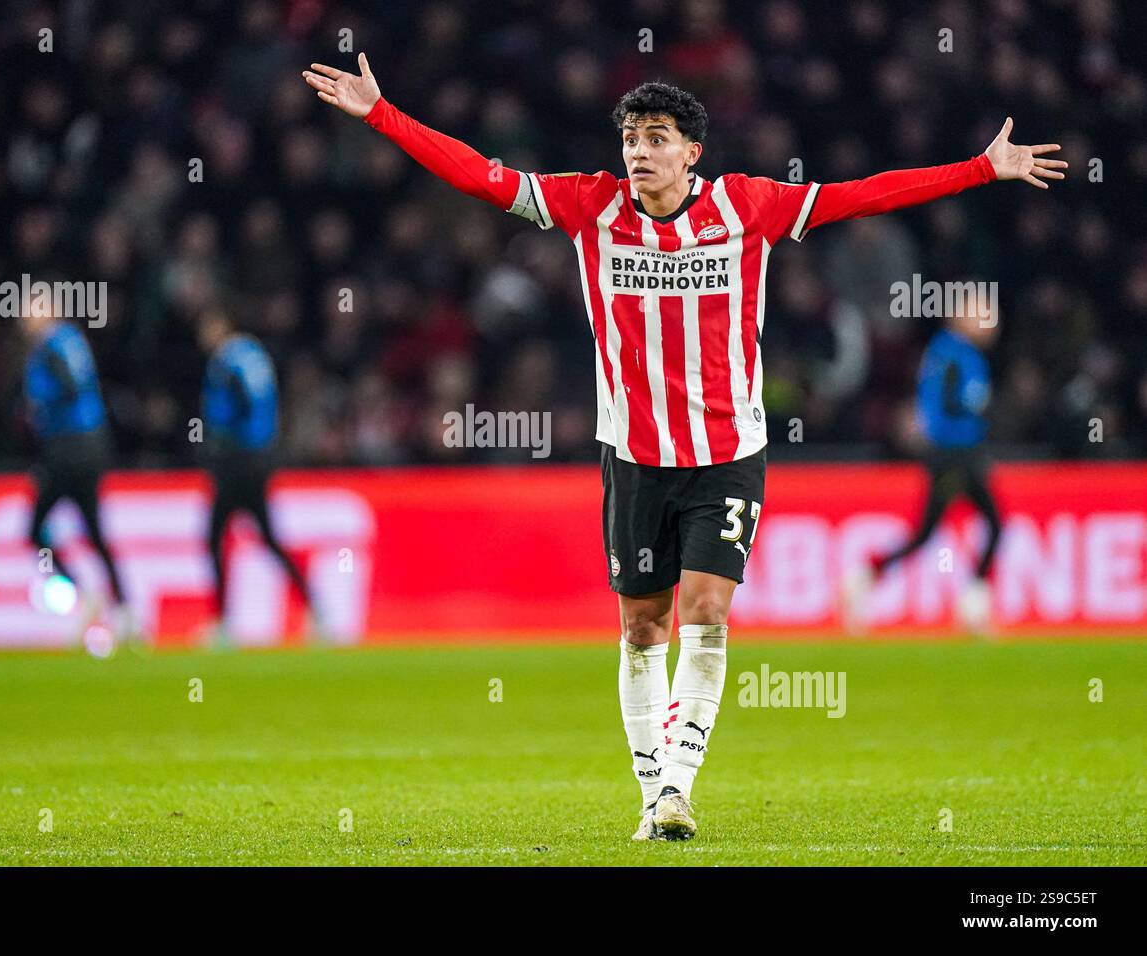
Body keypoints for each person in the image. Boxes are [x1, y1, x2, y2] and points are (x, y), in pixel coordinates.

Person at [303, 53, 1064, 841]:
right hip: (633, 458)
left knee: (708, 614)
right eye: (631, 136)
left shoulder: (748, 208)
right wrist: (382, 115)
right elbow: (480, 177)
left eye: (656, 137)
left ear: (691, 151)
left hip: (728, 452)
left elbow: (863, 194)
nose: (638, 151)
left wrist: (981, 169)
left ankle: (676, 788)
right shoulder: (588, 206)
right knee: (642, 627)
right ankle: (648, 793)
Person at [845, 289, 1003, 635]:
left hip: (960, 452)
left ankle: (867, 576)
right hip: (954, 453)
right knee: (987, 523)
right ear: (962, 317)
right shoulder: (953, 354)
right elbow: (945, 404)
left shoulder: (949, 351)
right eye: (983, 314)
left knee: (933, 533)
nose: (992, 324)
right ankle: (972, 604)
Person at [196, 307, 317, 644]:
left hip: (239, 461)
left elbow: (241, 405)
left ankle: (223, 624)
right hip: (258, 459)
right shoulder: (254, 356)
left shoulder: (230, 360)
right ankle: (315, 609)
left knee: (215, 538)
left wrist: (222, 443)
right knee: (264, 537)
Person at [21, 301, 136, 643]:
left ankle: (84, 594)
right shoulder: (73, 341)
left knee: (35, 528)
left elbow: (68, 388)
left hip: (68, 449)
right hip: (90, 447)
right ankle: (125, 609)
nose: (25, 319)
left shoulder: (52, 346)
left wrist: (40, 409)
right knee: (94, 530)